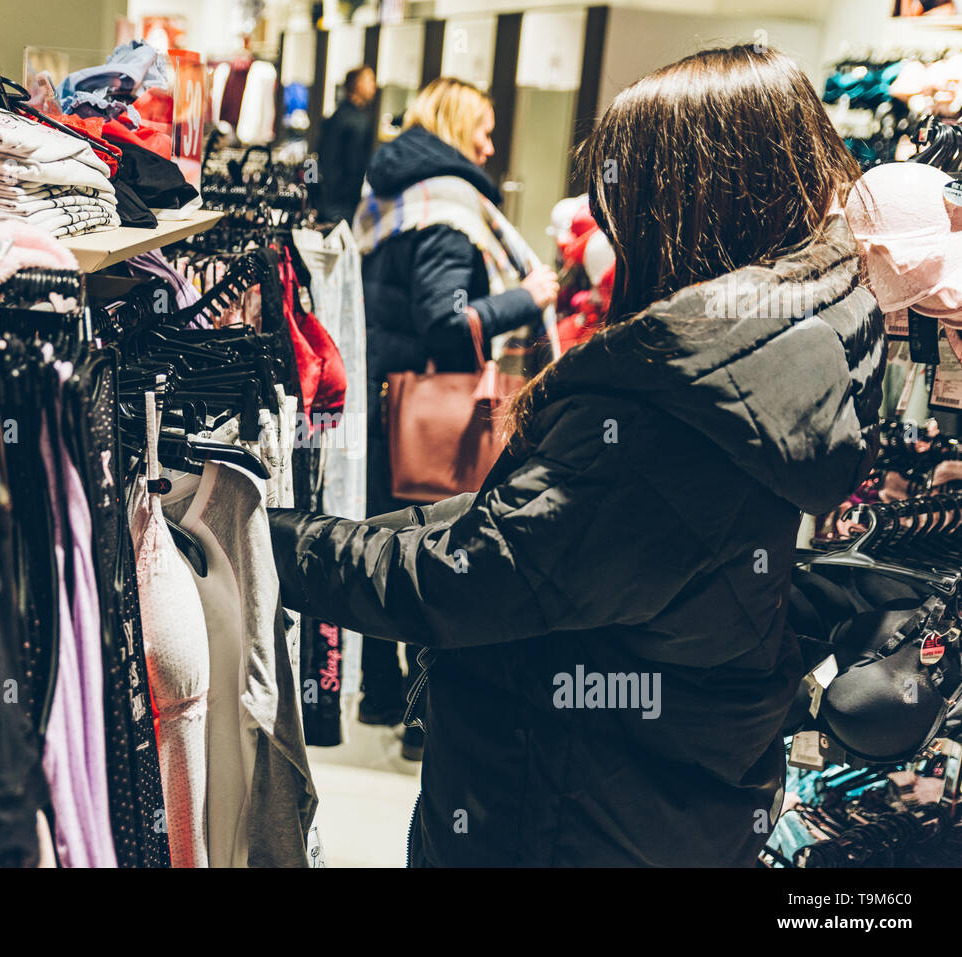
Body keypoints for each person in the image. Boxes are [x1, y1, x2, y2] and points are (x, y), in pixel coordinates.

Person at [271, 46, 883, 865]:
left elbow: (475, 573)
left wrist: (261, 535)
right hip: (656, 801)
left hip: (567, 815)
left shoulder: (677, 418)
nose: (615, 229)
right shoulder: (785, 349)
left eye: (629, 203)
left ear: (691, 207)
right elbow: (518, 534)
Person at [349, 76, 558, 758]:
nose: (491, 144)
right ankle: (422, 720)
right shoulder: (448, 205)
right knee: (434, 553)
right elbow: (447, 322)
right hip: (434, 408)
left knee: (381, 540)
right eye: (485, 128)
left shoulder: (389, 193)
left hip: (385, 400)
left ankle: (380, 693)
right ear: (457, 123)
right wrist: (529, 296)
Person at [315, 66, 377, 224]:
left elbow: (315, 159)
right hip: (345, 204)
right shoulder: (358, 123)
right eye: (370, 80)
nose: (374, 86)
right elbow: (356, 167)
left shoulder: (334, 116)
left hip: (324, 200)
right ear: (358, 85)